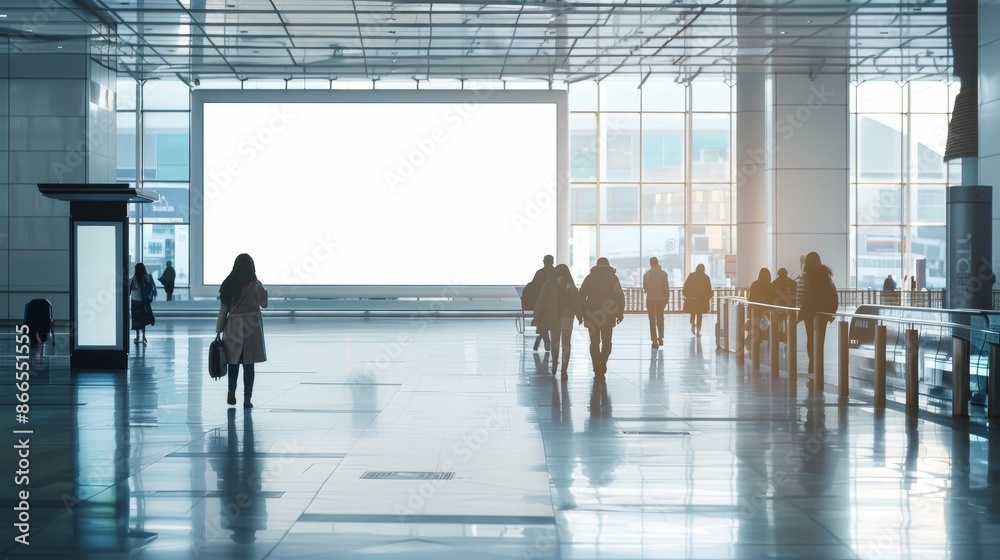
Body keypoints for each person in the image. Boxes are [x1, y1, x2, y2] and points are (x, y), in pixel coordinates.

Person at [217, 254, 269, 409]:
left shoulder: (228, 284)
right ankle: (247, 398)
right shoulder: (256, 284)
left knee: (233, 362)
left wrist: (219, 329)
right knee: (249, 363)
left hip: (232, 325)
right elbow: (264, 304)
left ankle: (231, 392)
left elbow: (223, 309)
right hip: (250, 327)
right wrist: (265, 292)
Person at [534, 264, 583, 378]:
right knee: (566, 344)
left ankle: (555, 365)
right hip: (568, 317)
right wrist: (580, 315)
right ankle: (564, 371)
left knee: (555, 343)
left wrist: (537, 317)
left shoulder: (550, 284)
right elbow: (576, 301)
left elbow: (541, 301)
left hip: (553, 317)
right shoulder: (570, 283)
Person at [579, 257, 625, 376]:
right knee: (607, 342)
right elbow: (619, 297)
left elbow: (581, 296)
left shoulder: (590, 278)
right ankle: (602, 363)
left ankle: (596, 366)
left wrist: (583, 312)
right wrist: (620, 313)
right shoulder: (613, 278)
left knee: (594, 342)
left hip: (591, 315)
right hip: (608, 315)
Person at [796, 251, 834, 373]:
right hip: (823, 313)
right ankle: (819, 361)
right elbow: (833, 293)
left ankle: (812, 362)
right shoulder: (826, 276)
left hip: (809, 313)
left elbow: (800, 296)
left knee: (810, 337)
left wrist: (800, 309)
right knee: (820, 338)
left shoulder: (805, 277)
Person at [524, 255, 556, 352]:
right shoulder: (556, 273)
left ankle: (546, 340)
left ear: (544, 261)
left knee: (541, 323)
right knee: (553, 325)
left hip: (540, 304)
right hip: (554, 304)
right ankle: (549, 342)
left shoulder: (540, 273)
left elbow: (532, 286)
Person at [642, 257, 669, 347]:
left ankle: (654, 341)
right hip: (660, 300)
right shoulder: (663, 274)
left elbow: (645, 289)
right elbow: (666, 288)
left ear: (650, 263)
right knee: (660, 319)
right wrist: (666, 299)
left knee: (652, 320)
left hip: (650, 300)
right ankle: (660, 338)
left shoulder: (646, 274)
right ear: (658, 263)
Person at [128, 262, 156, 344]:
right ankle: (143, 336)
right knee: (143, 319)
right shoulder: (145, 276)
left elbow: (131, 288)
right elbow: (150, 285)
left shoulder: (135, 277)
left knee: (136, 320)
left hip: (135, 300)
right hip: (143, 301)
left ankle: (137, 337)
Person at [682, 263, 713, 336]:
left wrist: (686, 294)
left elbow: (686, 286)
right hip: (701, 300)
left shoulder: (692, 276)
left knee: (693, 312)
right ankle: (698, 331)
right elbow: (709, 289)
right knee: (699, 315)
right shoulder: (706, 277)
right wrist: (707, 297)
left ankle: (692, 323)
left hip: (692, 299)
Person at [746, 267, 772, 350]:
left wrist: (749, 311)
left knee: (755, 326)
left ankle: (756, 342)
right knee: (765, 326)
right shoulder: (770, 285)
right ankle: (765, 339)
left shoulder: (754, 284)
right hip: (766, 310)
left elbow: (751, 298)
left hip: (755, 309)